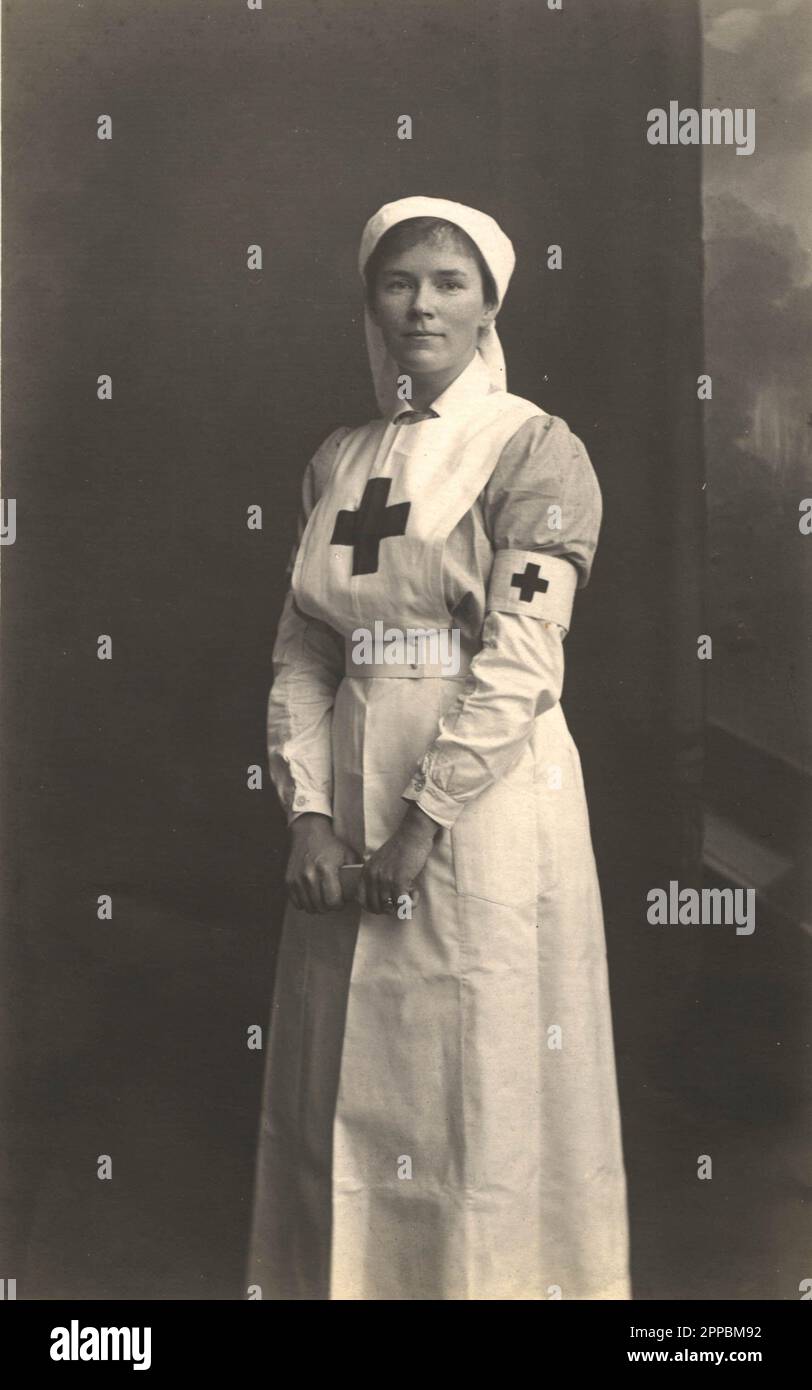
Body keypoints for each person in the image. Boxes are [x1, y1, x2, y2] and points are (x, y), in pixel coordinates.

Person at [246, 195, 631, 1300]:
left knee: (476, 1070)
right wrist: (310, 811)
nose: (421, 303)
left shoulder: (532, 449)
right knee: (346, 1085)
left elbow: (522, 658)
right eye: (398, 281)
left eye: (448, 283)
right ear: (371, 301)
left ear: (488, 303)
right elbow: (305, 653)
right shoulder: (336, 460)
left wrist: (424, 818)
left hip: (487, 792)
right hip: (346, 786)